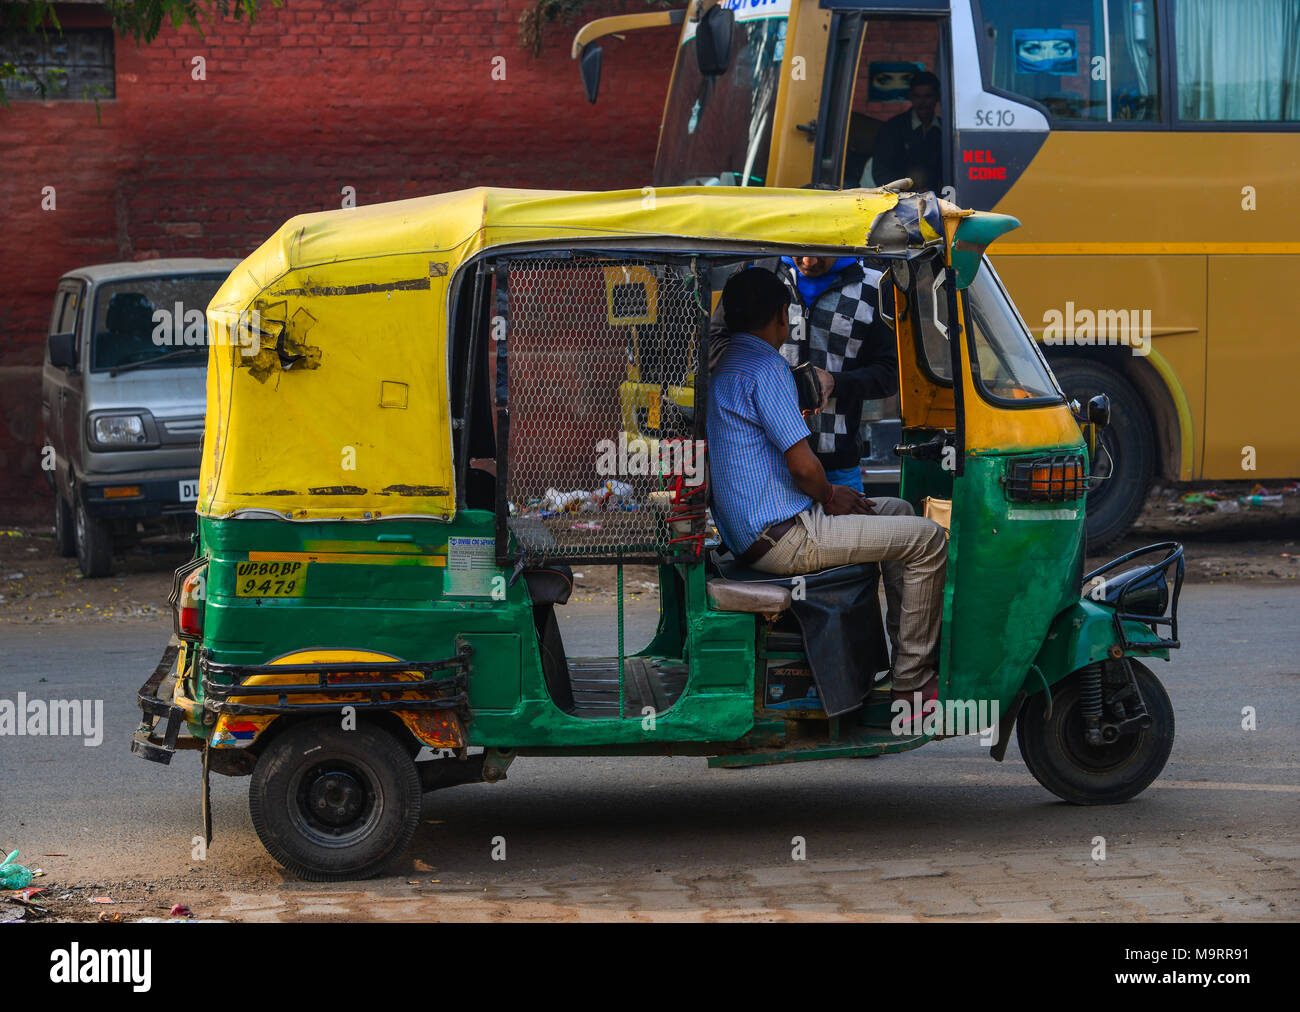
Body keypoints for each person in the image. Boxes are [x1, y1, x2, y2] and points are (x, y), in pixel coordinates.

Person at [707, 267, 947, 716]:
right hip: (786, 538)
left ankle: (902, 658)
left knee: (895, 510)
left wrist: (828, 494)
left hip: (765, 529)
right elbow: (803, 467)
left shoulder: (727, 361)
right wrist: (830, 495)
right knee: (929, 540)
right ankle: (912, 681)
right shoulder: (766, 367)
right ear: (783, 315)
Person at [709, 253, 897, 494]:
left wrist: (835, 382)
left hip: (837, 466)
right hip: (763, 464)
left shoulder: (874, 284)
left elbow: (889, 374)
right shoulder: (757, 269)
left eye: (821, 253)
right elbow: (715, 345)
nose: (809, 261)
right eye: (800, 251)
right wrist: (773, 379)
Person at [871, 70, 944, 193]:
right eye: (917, 96)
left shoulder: (945, 130)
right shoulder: (892, 129)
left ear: (938, 97)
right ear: (910, 96)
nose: (922, 103)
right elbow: (881, 173)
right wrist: (910, 192)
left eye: (928, 96)